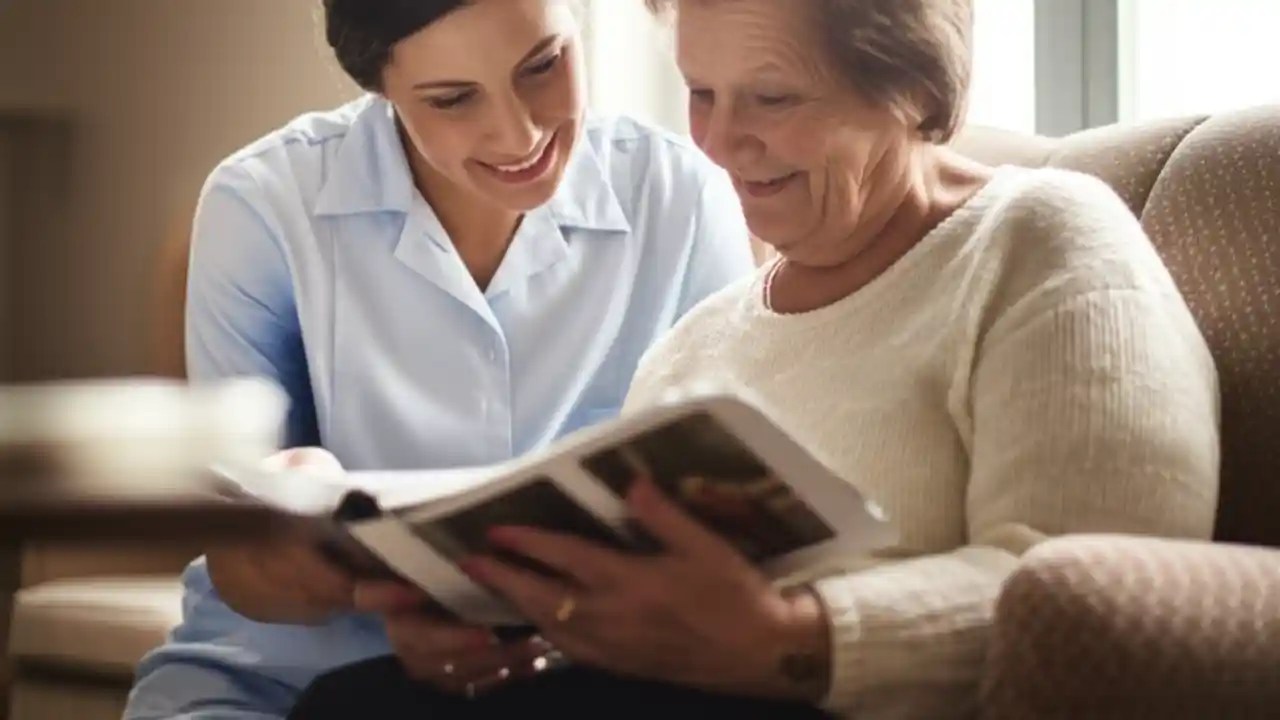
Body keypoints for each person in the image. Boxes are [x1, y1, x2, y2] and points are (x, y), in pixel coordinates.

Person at [271, 0, 1220, 718]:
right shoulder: (700, 340)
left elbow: (1101, 595)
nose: (721, 141)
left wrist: (794, 640)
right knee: (353, 704)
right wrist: (514, 624)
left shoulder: (1038, 242)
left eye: (771, 97)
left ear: (916, 91)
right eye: (701, 93)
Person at [122, 0, 756, 717]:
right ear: (378, 85)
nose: (521, 131)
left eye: (544, 66)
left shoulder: (683, 199)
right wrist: (350, 579)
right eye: (454, 98)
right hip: (274, 683)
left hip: (586, 677)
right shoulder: (262, 205)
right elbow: (244, 564)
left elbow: (718, 503)